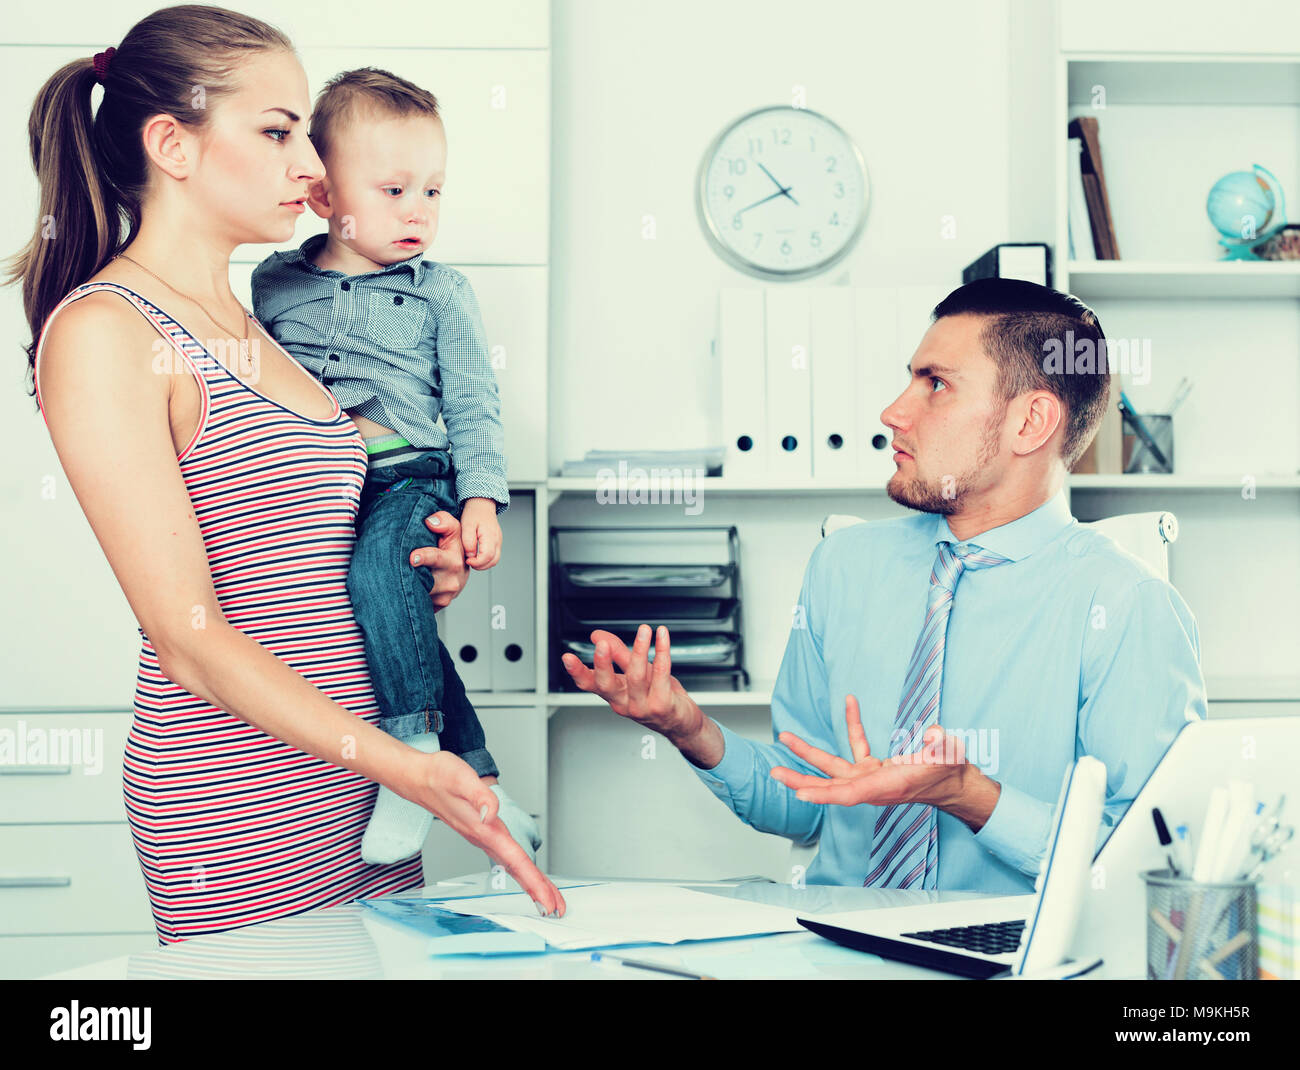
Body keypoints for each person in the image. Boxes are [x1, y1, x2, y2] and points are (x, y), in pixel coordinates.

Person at [6, 5, 564, 944]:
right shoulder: (109, 333)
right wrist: (402, 762)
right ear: (171, 145)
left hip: (367, 776)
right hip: (237, 792)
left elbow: (301, 554)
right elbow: (187, 637)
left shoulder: (272, 328)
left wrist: (425, 566)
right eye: (276, 131)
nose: (311, 164)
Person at [563, 278, 1207, 894]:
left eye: (937, 385)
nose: (893, 412)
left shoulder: (1127, 605)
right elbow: (809, 803)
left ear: (1031, 422)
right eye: (910, 378)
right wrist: (685, 725)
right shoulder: (843, 566)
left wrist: (970, 796)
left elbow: (1147, 857)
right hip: (834, 949)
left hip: (1006, 955)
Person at [249, 67, 539, 866]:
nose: (419, 211)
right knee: (381, 620)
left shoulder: (442, 293)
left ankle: (411, 761)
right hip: (323, 488)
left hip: (410, 476)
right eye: (393, 190)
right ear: (321, 196)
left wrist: (481, 501)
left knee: (383, 575)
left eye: (434, 192)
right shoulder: (272, 282)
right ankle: (481, 777)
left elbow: (476, 405)